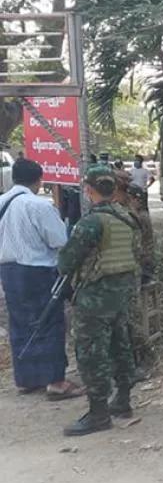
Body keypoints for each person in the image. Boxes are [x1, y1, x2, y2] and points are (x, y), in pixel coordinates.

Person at [58, 164, 140, 436]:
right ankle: (123, 400)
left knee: (91, 352)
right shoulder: (127, 218)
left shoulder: (92, 222)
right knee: (120, 345)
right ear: (114, 189)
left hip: (95, 297)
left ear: (88, 190)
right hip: (121, 294)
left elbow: (66, 261)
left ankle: (99, 413)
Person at [0, 159, 84, 399]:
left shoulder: (2, 202)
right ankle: (56, 382)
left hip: (8, 271)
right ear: (39, 180)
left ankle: (27, 379)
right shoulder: (39, 206)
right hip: (37, 272)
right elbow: (59, 240)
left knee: (20, 324)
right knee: (49, 323)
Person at [114, 170, 157, 378]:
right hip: (131, 269)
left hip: (135, 270)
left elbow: (139, 251)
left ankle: (146, 360)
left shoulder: (134, 217)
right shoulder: (125, 214)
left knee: (130, 319)